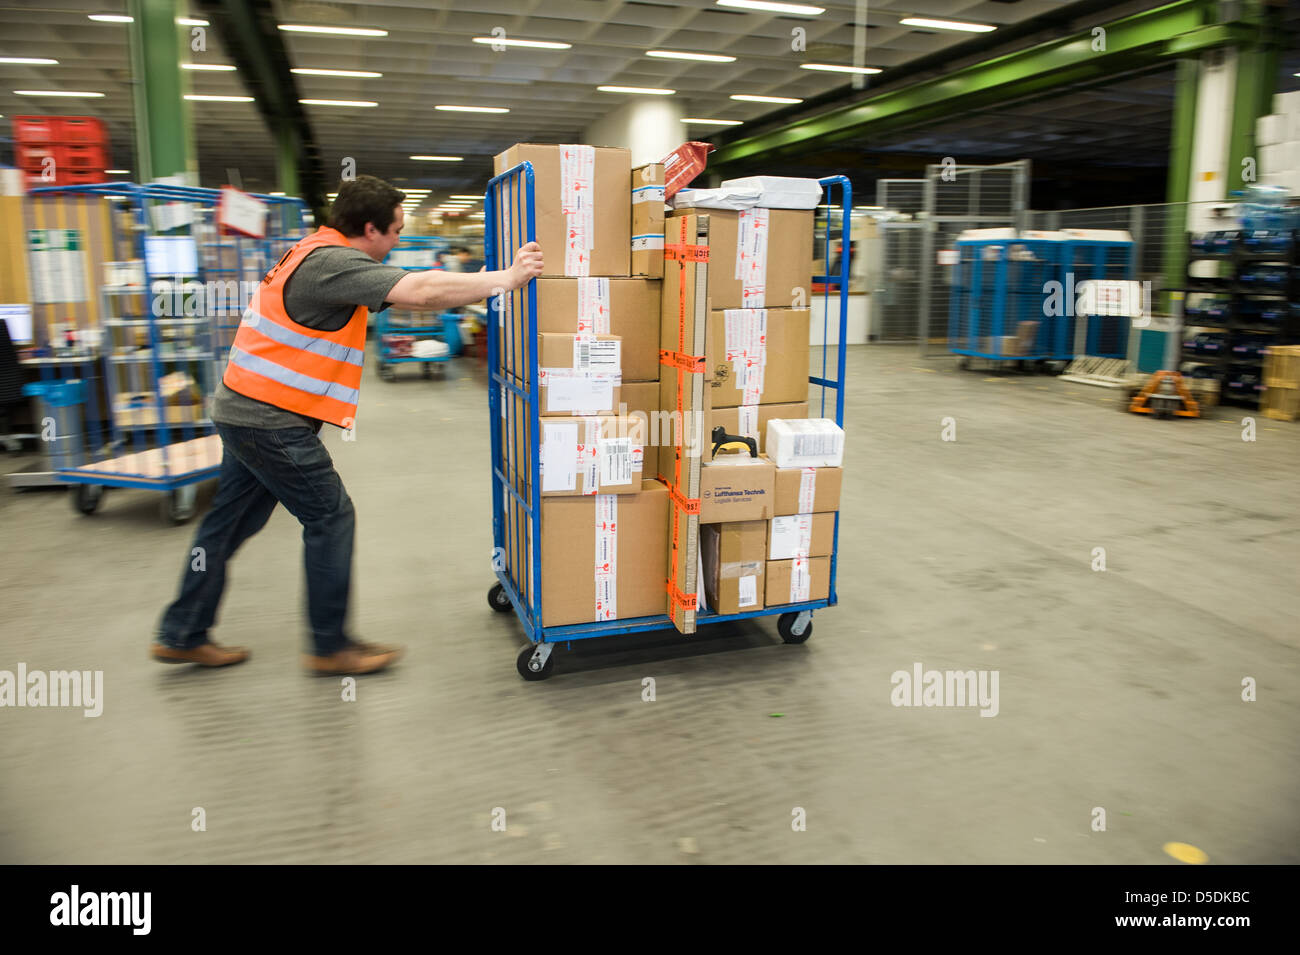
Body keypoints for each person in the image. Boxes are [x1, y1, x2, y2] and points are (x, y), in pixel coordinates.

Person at [152, 175, 543, 675]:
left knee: (226, 525)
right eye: (396, 230)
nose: (399, 239)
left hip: (243, 410)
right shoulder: (334, 263)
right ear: (368, 229)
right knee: (330, 517)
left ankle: (182, 633)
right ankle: (330, 645)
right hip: (269, 420)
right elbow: (419, 291)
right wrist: (505, 279)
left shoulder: (313, 248)